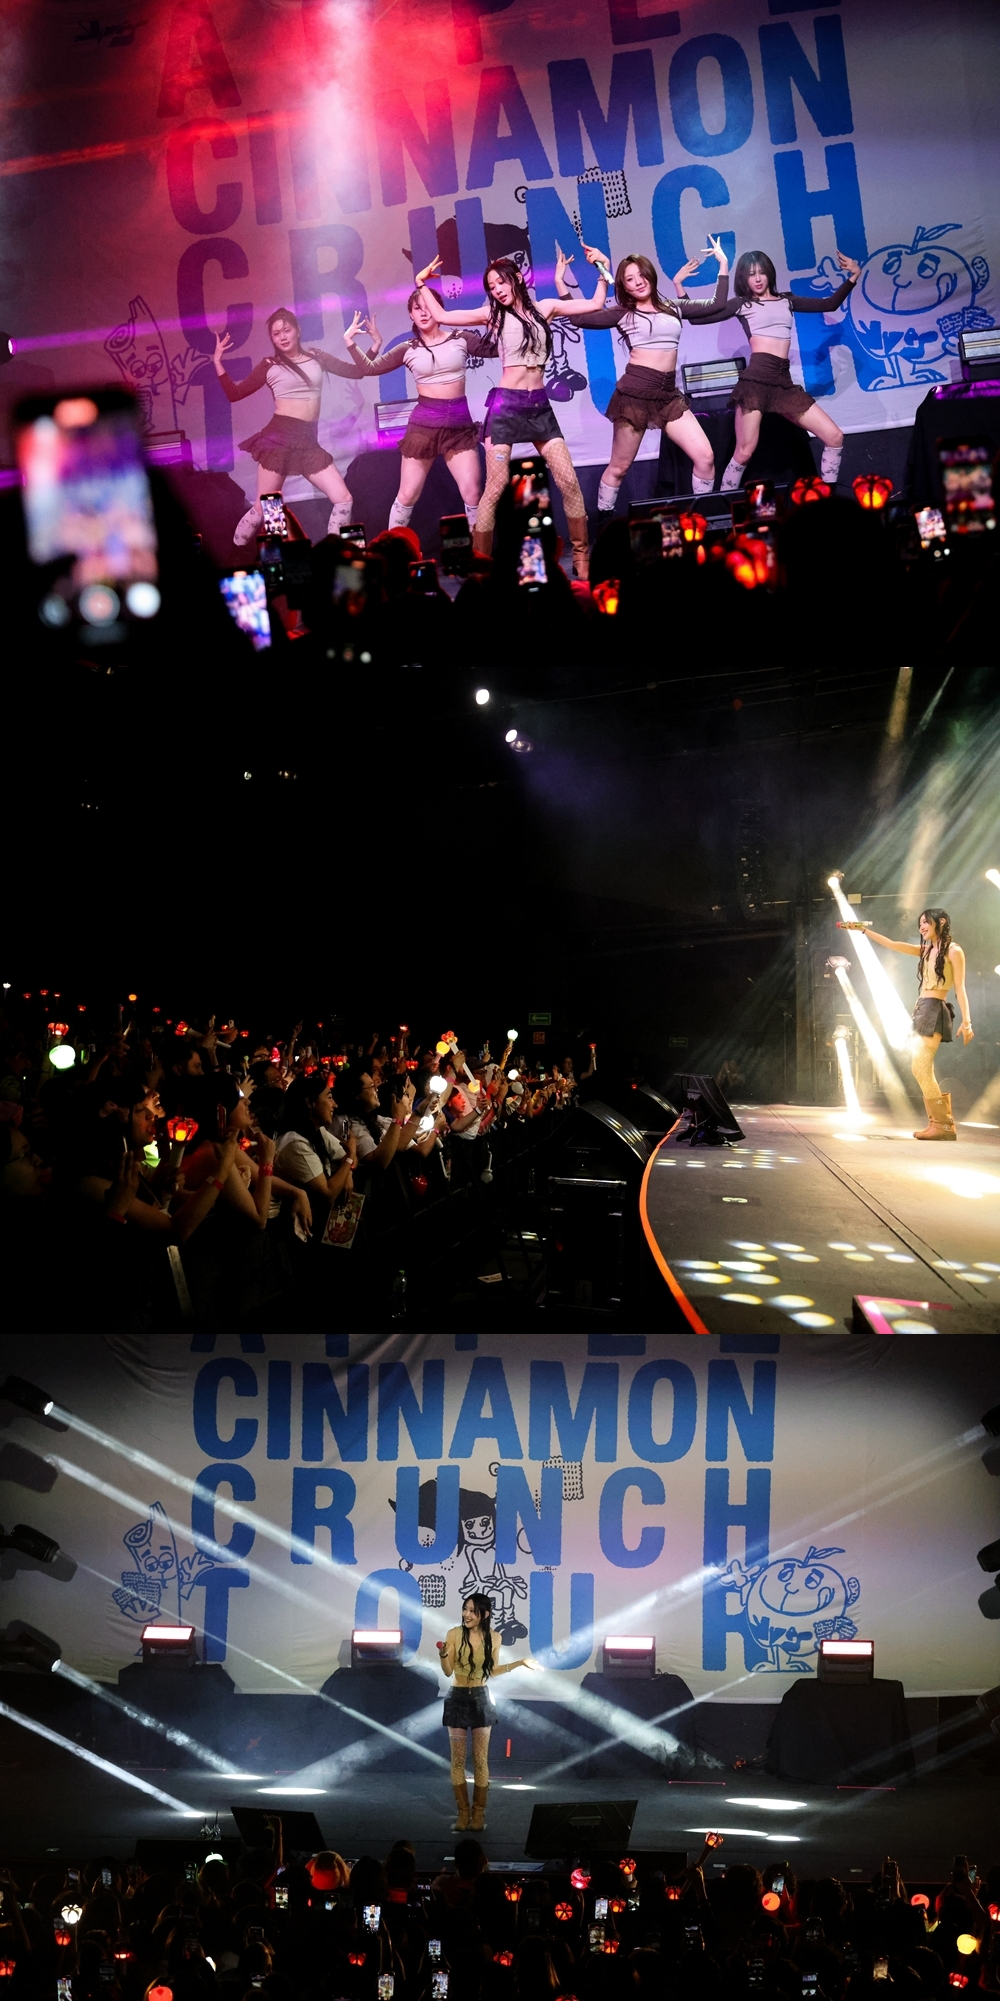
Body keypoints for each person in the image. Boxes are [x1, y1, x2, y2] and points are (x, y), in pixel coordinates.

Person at [414, 252, 611, 578]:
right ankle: (480, 570)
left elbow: (595, 304)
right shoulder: (492, 315)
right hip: (506, 407)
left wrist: (602, 268)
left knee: (568, 481)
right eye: (491, 287)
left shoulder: (545, 308)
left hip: (540, 407)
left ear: (517, 279)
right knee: (495, 488)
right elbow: (443, 315)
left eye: (501, 282)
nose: (497, 290)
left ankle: (581, 557)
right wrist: (421, 283)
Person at [558, 240, 730, 510]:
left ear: (650, 275)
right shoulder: (623, 313)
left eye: (641, 275)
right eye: (629, 279)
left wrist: (723, 264)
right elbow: (579, 319)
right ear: (624, 286)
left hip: (668, 397)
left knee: (706, 458)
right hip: (634, 398)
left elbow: (717, 304)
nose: (638, 282)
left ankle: (702, 518)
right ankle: (604, 522)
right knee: (619, 468)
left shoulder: (673, 307)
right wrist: (581, 276)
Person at [692, 248, 861, 491]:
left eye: (761, 272)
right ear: (744, 279)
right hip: (756, 383)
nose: (757, 279)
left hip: (783, 383)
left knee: (835, 437)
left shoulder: (786, 301)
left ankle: (827, 500)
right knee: (744, 452)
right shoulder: (742, 304)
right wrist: (720, 268)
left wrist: (853, 276)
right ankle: (723, 503)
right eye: (751, 274)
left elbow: (830, 304)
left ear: (769, 274)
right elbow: (698, 318)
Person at [213, 307, 381, 545]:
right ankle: (244, 554)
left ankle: (334, 553)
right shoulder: (269, 365)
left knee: (344, 499)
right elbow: (235, 393)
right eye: (276, 334)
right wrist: (217, 362)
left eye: (286, 330)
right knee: (266, 507)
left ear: (298, 331)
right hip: (278, 441)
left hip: (308, 444)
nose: (282, 337)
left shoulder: (317, 357)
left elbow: (358, 372)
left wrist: (370, 345)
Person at [344, 286, 493, 534]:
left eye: (428, 307)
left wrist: (495, 319)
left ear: (439, 309)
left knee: (473, 493)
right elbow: (369, 368)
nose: (423, 313)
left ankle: (478, 550)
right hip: (424, 427)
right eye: (417, 308)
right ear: (411, 315)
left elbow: (496, 349)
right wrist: (351, 343)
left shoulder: (461, 338)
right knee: (407, 494)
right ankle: (394, 547)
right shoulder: (408, 348)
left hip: (459, 426)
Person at [837, 907, 973, 1138]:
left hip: (934, 1009)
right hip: (922, 1009)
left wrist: (967, 1021)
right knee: (922, 1068)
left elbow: (960, 987)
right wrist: (863, 930)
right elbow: (891, 944)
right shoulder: (926, 950)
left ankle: (943, 1125)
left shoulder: (954, 950)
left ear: (941, 922)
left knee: (920, 1067)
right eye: (920, 924)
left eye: (926, 922)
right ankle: (938, 1124)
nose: (921, 927)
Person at [436, 1592, 539, 1833]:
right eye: (465, 1609)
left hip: (481, 1698)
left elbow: (491, 1671)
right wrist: (443, 1654)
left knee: (480, 1760)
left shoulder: (495, 1637)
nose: (467, 1614)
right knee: (458, 1760)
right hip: (457, 1697)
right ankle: (463, 1812)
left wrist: (519, 1663)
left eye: (472, 1611)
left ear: (485, 1614)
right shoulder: (454, 1634)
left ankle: (478, 1813)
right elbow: (448, 1671)